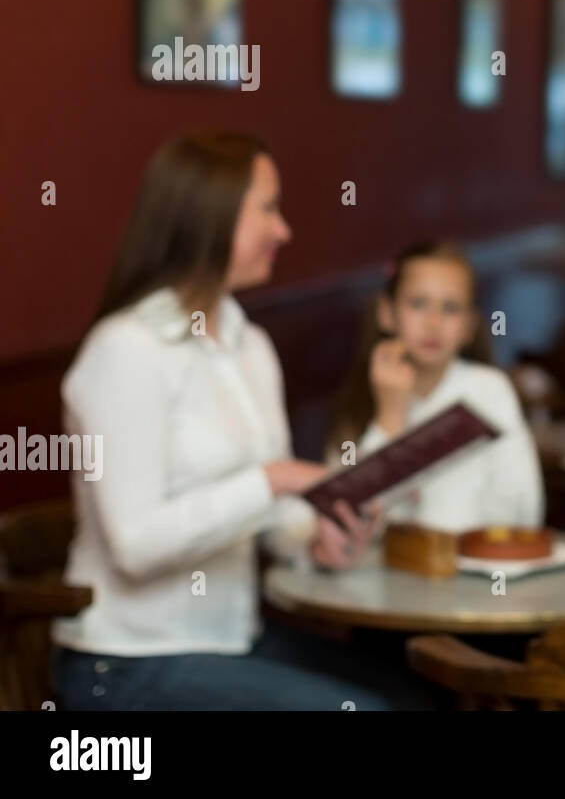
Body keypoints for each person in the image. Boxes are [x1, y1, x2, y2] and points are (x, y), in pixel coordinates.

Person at [49, 129, 433, 710]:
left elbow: (268, 524)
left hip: (230, 642)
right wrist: (275, 480)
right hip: (126, 664)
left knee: (414, 691)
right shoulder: (126, 351)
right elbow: (135, 545)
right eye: (270, 209)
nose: (285, 230)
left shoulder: (249, 345)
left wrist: (315, 541)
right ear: (213, 217)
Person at [327, 241, 544, 533]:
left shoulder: (490, 391)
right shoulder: (358, 401)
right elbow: (347, 523)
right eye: (418, 304)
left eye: (450, 308)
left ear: (469, 326)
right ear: (387, 313)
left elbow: (525, 511)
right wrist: (389, 418)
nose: (433, 322)